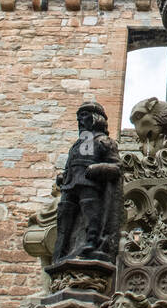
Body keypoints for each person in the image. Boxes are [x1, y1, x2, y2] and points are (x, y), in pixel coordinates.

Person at [50, 101, 122, 265]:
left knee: (90, 212)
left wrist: (97, 168)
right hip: (70, 184)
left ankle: (91, 242)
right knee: (64, 216)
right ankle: (62, 249)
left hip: (88, 184)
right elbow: (72, 165)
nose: (80, 120)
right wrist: (64, 176)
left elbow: (117, 167)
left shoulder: (102, 141)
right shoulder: (79, 144)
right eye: (79, 117)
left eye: (84, 116)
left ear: (95, 118)